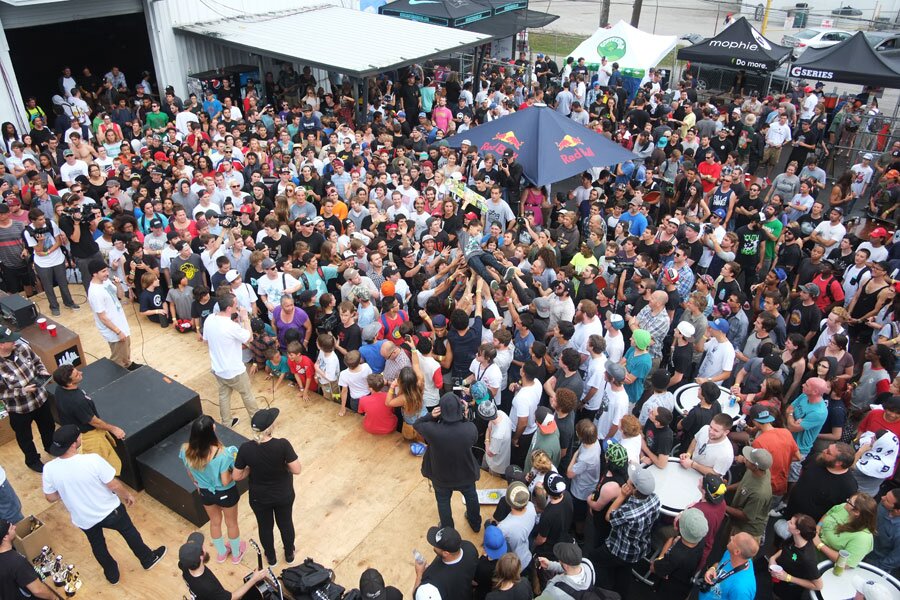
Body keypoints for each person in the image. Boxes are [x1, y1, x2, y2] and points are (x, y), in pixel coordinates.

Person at [42, 425, 166, 584]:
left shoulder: (49, 469)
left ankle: (111, 573)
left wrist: (66, 489)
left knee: (97, 545)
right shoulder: (92, 460)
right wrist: (127, 495)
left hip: (83, 518)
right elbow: (113, 484)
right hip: (109, 510)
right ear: (74, 443)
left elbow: (50, 497)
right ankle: (147, 558)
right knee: (129, 531)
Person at [232, 408, 301, 566]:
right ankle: (289, 554)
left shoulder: (245, 448)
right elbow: (297, 469)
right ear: (270, 427)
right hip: (283, 494)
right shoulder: (282, 445)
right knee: (285, 523)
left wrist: (251, 468)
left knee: (265, 527)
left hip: (259, 497)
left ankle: (271, 558)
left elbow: (237, 476)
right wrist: (283, 466)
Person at [179, 416, 244, 565]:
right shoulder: (224, 453)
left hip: (205, 493)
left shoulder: (185, 450)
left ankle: (221, 553)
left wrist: (199, 484)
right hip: (226, 493)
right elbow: (226, 480)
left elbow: (190, 473)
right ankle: (235, 554)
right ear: (213, 429)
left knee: (215, 522)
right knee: (231, 523)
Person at [414, 392, 482, 532]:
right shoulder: (469, 429)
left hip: (441, 476)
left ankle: (448, 530)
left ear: (441, 410)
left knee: (443, 502)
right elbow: (473, 439)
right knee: (471, 498)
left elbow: (417, 424)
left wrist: (431, 416)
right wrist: (464, 416)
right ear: (460, 409)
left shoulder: (433, 430)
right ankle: (475, 524)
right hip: (466, 474)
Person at [592, 464, 660, 595]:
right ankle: (621, 594)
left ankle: (604, 592)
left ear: (634, 489)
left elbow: (609, 516)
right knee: (624, 572)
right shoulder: (655, 499)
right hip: (639, 548)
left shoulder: (628, 512)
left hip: (620, 549)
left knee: (595, 558)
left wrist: (622, 495)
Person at [52, 364, 125, 475]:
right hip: (88, 436)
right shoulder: (77, 401)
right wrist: (113, 429)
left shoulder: (59, 389)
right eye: (77, 374)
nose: (81, 373)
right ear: (69, 383)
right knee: (103, 466)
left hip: (76, 429)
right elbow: (94, 421)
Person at [0, 327, 54, 473]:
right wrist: (21, 391)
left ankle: (50, 446)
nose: (15, 342)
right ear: (2, 345)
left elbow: (37, 362)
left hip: (40, 399)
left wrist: (43, 373)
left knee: (48, 426)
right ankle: (32, 460)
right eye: (11, 340)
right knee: (25, 437)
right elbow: (2, 393)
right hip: (19, 410)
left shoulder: (23, 347)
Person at [202, 292, 259, 427]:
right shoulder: (231, 326)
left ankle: (226, 423)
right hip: (234, 370)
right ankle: (256, 420)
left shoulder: (210, 318)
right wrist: (245, 319)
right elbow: (249, 338)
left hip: (218, 368)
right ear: (229, 308)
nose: (237, 307)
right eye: (235, 305)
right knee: (247, 394)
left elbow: (205, 340)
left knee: (224, 396)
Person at [178, 531, 268, 600]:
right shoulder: (209, 587)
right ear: (201, 557)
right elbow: (232, 597)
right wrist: (254, 579)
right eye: (202, 546)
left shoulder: (184, 564)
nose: (204, 546)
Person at [651, 508, 709, 599]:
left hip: (668, 591)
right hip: (683, 585)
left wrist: (666, 548)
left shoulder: (676, 556)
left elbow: (654, 567)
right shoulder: (700, 539)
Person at [87, 259, 133, 369]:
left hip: (120, 323)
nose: (107, 273)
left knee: (126, 350)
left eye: (107, 270)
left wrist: (118, 285)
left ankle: (128, 365)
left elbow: (120, 296)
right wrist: (118, 332)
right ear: (94, 273)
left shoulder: (106, 281)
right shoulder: (95, 293)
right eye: (103, 271)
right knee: (118, 359)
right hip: (114, 330)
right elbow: (102, 317)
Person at [414, 526, 479, 600]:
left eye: (436, 545)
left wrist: (419, 574)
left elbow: (416, 596)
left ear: (446, 553)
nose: (433, 546)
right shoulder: (469, 548)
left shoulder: (432, 584)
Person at [814, 493, 877, 568]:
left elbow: (846, 563)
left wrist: (819, 544)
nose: (846, 502)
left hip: (821, 565)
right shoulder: (843, 507)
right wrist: (818, 527)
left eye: (849, 502)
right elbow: (827, 514)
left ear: (857, 512)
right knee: (795, 557)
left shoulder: (863, 538)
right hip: (808, 548)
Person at [769, 514, 823, 600]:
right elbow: (785, 549)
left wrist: (788, 578)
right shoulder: (794, 538)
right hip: (780, 580)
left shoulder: (808, 558)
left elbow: (818, 585)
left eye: (791, 522)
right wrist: (773, 558)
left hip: (790, 590)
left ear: (797, 531)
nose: (787, 522)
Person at [0, 519, 56, 599]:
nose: (15, 527)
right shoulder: (17, 562)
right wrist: (54, 597)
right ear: (5, 537)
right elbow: (38, 590)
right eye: (11, 528)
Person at [726, 447, 772, 540]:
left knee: (733, 550)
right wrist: (726, 488)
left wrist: (723, 507)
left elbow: (746, 516)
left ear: (755, 466)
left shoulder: (759, 493)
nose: (745, 458)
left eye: (748, 459)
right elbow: (744, 483)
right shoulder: (759, 470)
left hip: (747, 530)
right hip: (737, 520)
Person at [697, 533, 758, 600]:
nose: (731, 537)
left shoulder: (741, 589)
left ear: (737, 552)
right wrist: (712, 568)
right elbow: (720, 564)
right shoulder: (731, 553)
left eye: (734, 540)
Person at [865, 488, 900, 573]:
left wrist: (873, 567)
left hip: (873, 563)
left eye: (887, 500)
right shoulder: (883, 504)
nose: (882, 498)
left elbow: (894, 559)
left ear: (898, 511)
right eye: (886, 495)